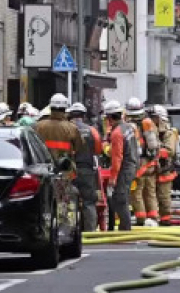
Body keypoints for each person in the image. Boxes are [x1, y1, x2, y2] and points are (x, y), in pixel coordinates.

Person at [103, 100, 139, 231]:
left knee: (120, 199)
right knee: (122, 197)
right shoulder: (128, 127)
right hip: (133, 165)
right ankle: (125, 227)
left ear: (110, 118)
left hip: (125, 167)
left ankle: (125, 229)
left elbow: (117, 157)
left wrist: (113, 177)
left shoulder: (117, 133)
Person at [67, 102, 103, 232]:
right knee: (89, 202)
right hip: (87, 170)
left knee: (68, 203)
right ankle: (90, 232)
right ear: (83, 115)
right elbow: (99, 150)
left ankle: (69, 231)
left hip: (69, 171)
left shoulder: (67, 129)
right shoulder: (92, 130)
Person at [125, 98, 160, 226]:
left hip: (139, 163)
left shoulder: (129, 126)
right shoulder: (148, 123)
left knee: (137, 191)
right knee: (150, 191)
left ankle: (141, 219)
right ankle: (153, 217)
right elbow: (154, 145)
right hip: (150, 163)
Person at [34, 94, 84, 164]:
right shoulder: (72, 128)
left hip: (44, 168)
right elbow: (78, 147)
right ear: (65, 109)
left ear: (50, 108)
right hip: (65, 168)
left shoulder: (38, 126)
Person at [150, 105, 178, 226]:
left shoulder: (168, 133)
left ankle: (165, 218)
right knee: (151, 195)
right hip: (152, 170)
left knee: (163, 196)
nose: (151, 120)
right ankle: (152, 217)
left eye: (154, 117)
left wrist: (156, 151)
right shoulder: (150, 132)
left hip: (164, 170)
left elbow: (170, 150)